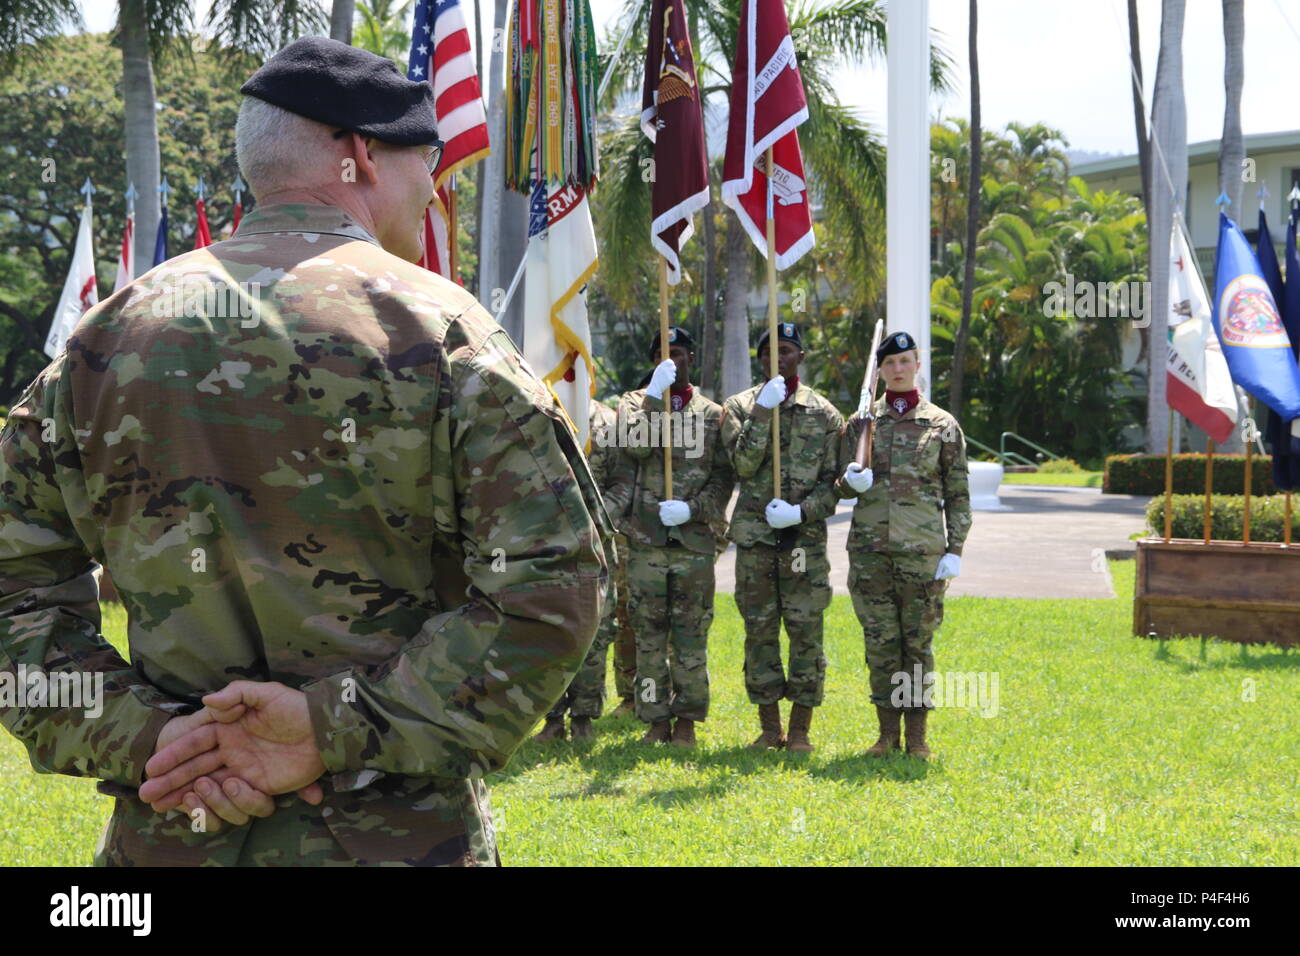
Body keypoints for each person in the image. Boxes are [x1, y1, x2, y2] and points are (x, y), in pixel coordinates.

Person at [0, 36, 610, 866]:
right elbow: (553, 592)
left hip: (171, 838)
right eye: (425, 156)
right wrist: (334, 729)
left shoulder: (104, 339)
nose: (435, 188)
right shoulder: (444, 332)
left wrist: (152, 737)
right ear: (360, 155)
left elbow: (11, 596)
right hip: (395, 840)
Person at [837, 331, 971, 760]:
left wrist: (956, 549)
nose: (897, 369)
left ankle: (917, 738)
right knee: (880, 644)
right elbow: (837, 484)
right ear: (879, 370)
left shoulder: (942, 425)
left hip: (922, 554)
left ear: (917, 366)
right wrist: (847, 481)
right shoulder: (861, 422)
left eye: (905, 361)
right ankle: (885, 735)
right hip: (870, 553)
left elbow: (958, 493)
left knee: (916, 645)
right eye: (889, 362)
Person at [609, 327, 734, 747]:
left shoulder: (713, 414)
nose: (671, 361)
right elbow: (631, 446)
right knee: (647, 636)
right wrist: (652, 398)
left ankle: (686, 723)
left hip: (693, 542)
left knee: (691, 637)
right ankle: (655, 720)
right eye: (662, 356)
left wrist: (694, 509)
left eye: (678, 353)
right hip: (645, 539)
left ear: (691, 358)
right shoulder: (631, 404)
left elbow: (723, 477)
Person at [721, 323, 842, 751]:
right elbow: (741, 465)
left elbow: (835, 485)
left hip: (802, 546)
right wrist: (761, 413)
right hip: (756, 542)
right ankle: (771, 728)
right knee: (760, 632)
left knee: (806, 631)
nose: (779, 358)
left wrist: (801, 512)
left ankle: (802, 730)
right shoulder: (739, 407)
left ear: (801, 357)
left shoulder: (825, 415)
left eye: (787, 350)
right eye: (770, 351)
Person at [534, 398, 634, 741]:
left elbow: (625, 481)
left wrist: (596, 521)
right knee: (551, 628)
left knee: (598, 629)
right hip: (549, 542)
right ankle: (552, 718)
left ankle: (584, 717)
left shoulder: (609, 422)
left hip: (597, 544)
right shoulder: (537, 417)